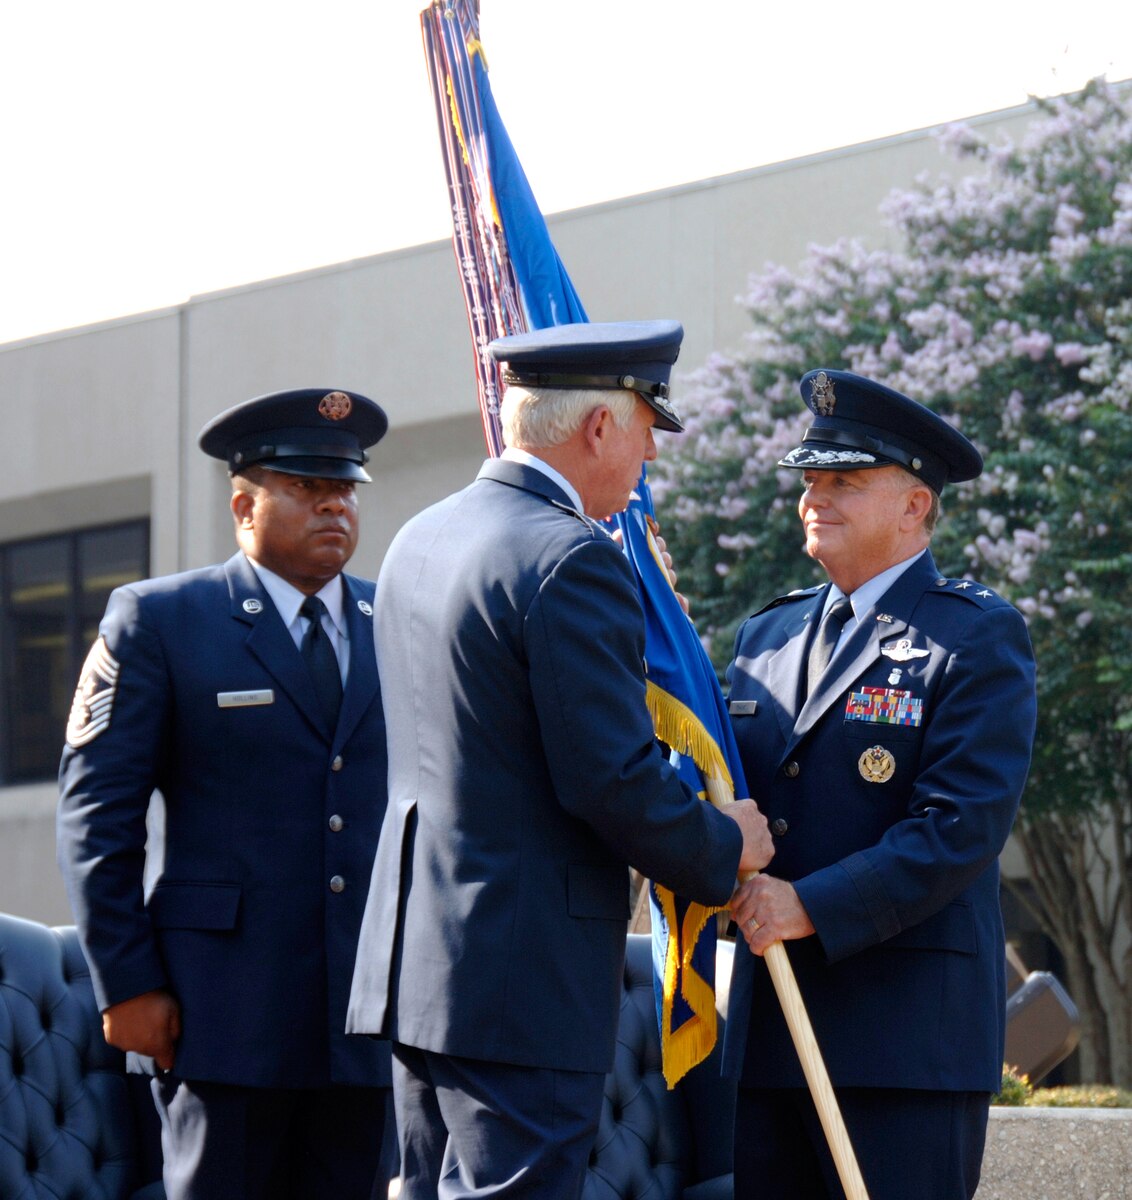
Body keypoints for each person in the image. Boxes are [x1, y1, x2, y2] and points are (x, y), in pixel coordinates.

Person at [347, 320, 774, 1200]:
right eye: (648, 425)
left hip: (420, 964)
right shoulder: (571, 558)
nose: (652, 451)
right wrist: (726, 846)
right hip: (519, 976)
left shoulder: (418, 538)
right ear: (598, 429)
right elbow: (609, 780)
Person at [57, 388, 397, 1200]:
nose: (334, 508)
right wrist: (129, 984)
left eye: (345, 490)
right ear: (244, 504)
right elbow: (97, 816)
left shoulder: (400, 619)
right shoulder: (162, 620)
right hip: (221, 1018)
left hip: (367, 1025)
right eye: (308, 489)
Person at [724, 369, 1038, 1200]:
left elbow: (959, 828)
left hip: (905, 1050)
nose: (815, 498)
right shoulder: (765, 635)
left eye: (846, 482)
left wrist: (809, 905)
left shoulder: (974, 637)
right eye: (811, 480)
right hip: (772, 1044)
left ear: (913, 507)